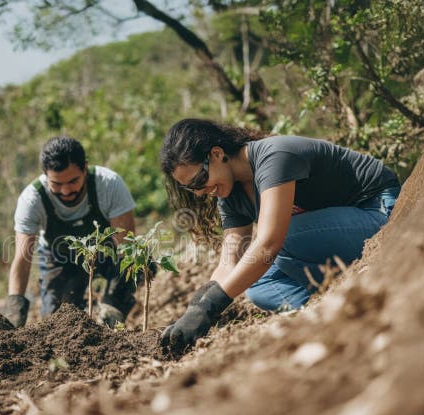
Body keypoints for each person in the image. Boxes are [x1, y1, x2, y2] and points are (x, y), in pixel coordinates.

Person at [159, 118, 402, 352]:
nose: (201, 192)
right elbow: (228, 263)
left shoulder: (273, 157)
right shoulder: (229, 195)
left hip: (378, 211)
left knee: (283, 237)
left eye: (200, 180)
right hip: (336, 231)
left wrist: (212, 306)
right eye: (192, 188)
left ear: (216, 154)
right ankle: (330, 316)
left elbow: (269, 243)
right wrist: (195, 309)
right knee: (258, 285)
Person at [6, 136, 139, 328]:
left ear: (85, 168)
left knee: (133, 272)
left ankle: (110, 310)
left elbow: (126, 248)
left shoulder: (109, 184)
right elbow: (22, 260)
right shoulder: (32, 200)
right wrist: (15, 312)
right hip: (60, 259)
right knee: (57, 323)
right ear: (45, 175)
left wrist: (113, 300)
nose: (66, 191)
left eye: (73, 181)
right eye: (57, 184)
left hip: (107, 254)